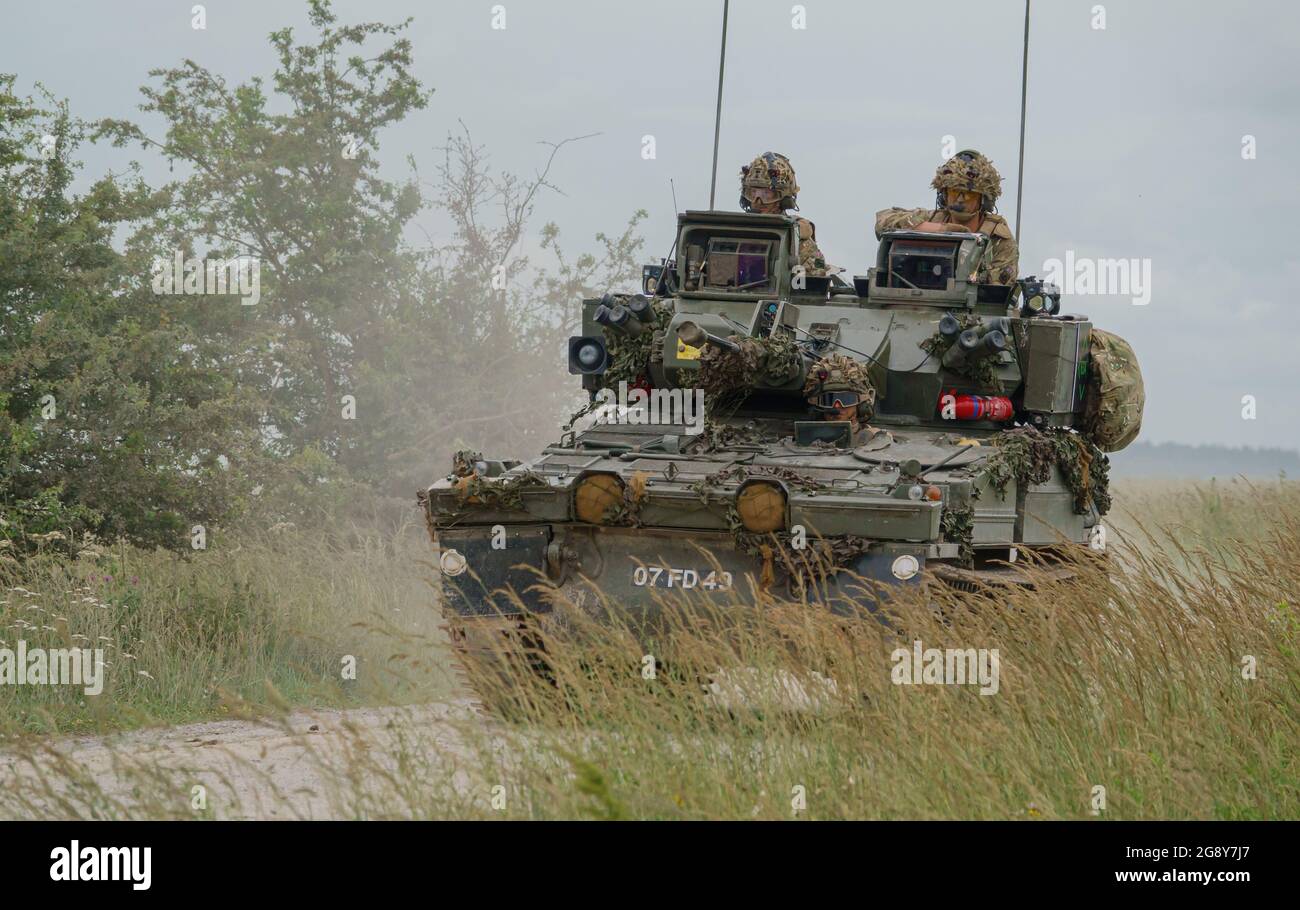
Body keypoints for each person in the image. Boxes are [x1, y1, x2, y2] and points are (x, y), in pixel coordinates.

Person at [875, 149, 1019, 286]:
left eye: (969, 194)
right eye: (954, 192)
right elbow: (883, 221)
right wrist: (936, 229)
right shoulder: (932, 219)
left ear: (984, 200)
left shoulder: (998, 239)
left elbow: (998, 287)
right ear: (943, 195)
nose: (960, 199)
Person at [740, 152, 832, 278]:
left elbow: (817, 280)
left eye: (767, 193)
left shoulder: (797, 237)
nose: (758, 200)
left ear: (782, 198)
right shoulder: (736, 230)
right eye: (753, 192)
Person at [804, 353, 876, 438]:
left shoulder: (878, 439)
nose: (837, 406)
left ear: (861, 405)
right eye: (828, 400)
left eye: (846, 399)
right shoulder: (802, 440)